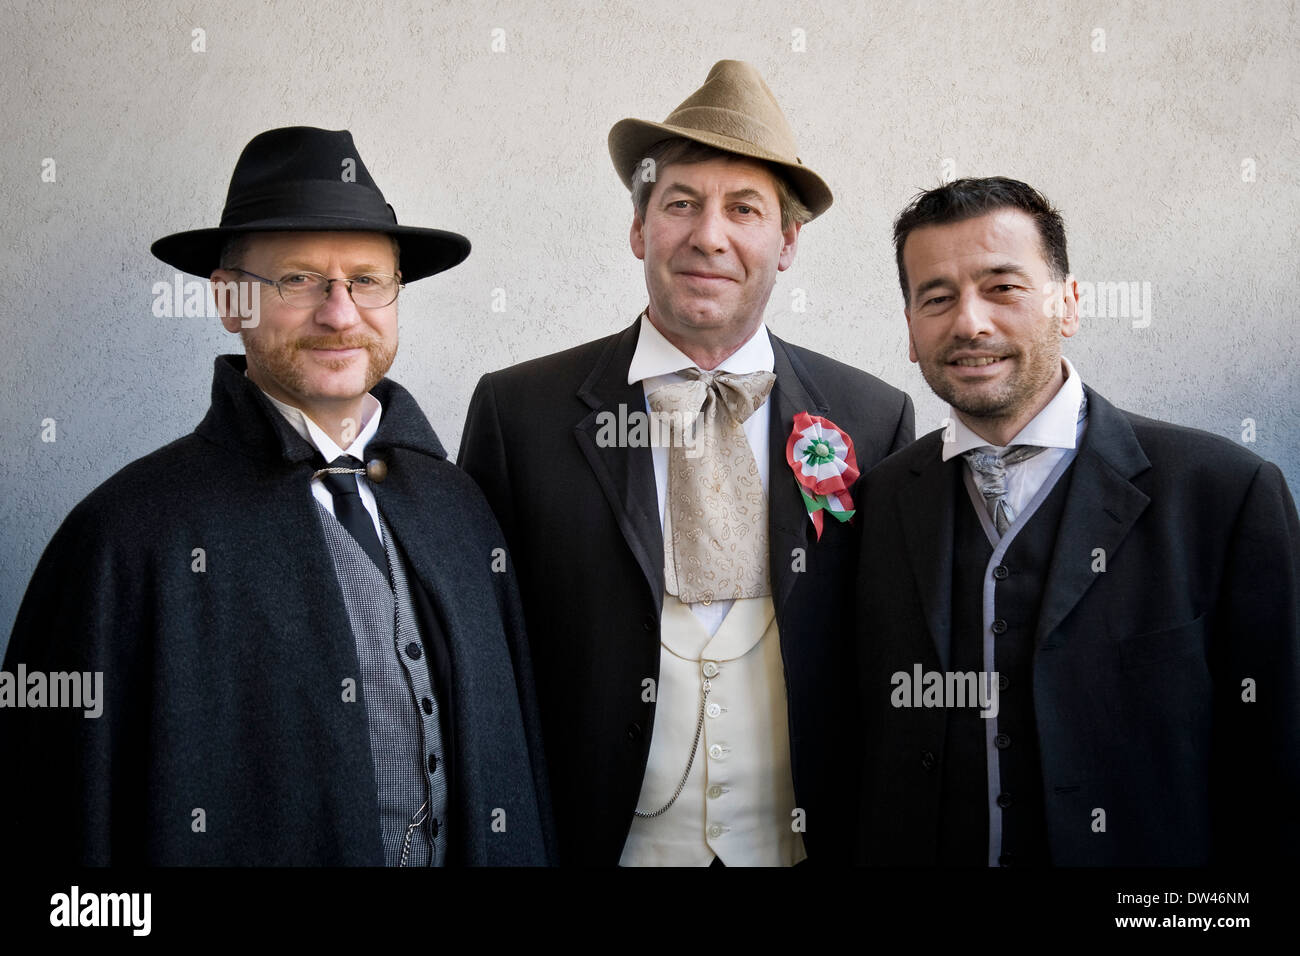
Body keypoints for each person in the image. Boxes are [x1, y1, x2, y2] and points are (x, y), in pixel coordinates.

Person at [0, 126, 553, 866]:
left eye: (367, 280)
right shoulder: (125, 539)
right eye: (297, 280)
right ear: (230, 302)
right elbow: (58, 818)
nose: (339, 311)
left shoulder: (459, 509)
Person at [460, 60, 914, 865]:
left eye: (745, 209)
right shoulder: (515, 413)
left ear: (788, 241)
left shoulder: (875, 420)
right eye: (681, 204)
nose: (710, 235)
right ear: (639, 230)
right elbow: (484, 660)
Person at [853, 176, 1299, 865]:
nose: (970, 322)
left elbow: (1279, 762)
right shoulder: (877, 503)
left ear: (1070, 305)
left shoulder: (1224, 494)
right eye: (936, 297)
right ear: (910, 330)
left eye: (1003, 287)